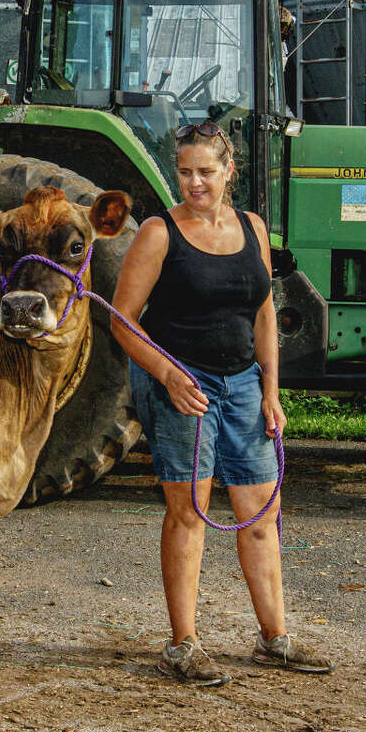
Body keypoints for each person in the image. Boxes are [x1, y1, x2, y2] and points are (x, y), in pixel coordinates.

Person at [109, 121, 331, 686]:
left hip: (244, 387)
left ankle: (274, 639)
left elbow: (263, 314)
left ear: (229, 171)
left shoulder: (252, 227)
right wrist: (167, 374)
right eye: (185, 172)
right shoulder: (160, 233)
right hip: (186, 390)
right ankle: (182, 645)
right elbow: (121, 320)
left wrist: (271, 392)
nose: (194, 183)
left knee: (262, 512)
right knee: (188, 514)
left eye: (206, 171)